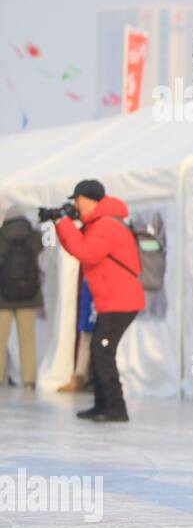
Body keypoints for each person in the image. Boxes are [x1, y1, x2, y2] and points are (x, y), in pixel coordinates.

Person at [49, 180, 145, 422]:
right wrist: (62, 222)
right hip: (111, 300)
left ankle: (116, 408)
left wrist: (63, 221)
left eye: (77, 200)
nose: (75, 205)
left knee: (102, 351)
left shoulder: (106, 225)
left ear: (90, 200)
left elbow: (85, 252)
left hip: (121, 301)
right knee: (99, 349)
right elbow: (77, 246)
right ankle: (102, 405)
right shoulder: (99, 223)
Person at [0, 205, 44, 390]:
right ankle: (29, 380)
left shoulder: (1, 236)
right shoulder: (34, 236)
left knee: (0, 340)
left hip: (2, 296)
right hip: (30, 295)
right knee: (27, 339)